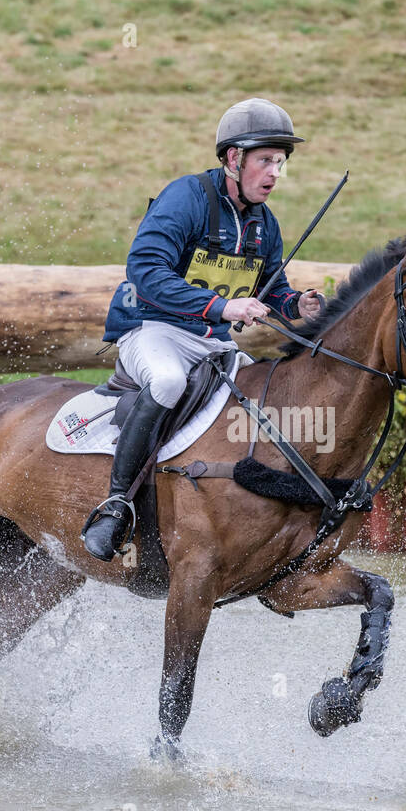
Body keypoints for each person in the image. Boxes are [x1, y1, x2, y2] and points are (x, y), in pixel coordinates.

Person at [81, 98, 326, 561]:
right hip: (151, 329)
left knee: (262, 396)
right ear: (234, 159)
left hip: (209, 342)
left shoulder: (263, 223)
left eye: (280, 163)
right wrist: (221, 306)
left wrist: (297, 304)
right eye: (265, 161)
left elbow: (272, 291)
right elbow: (146, 271)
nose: (274, 174)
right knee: (169, 381)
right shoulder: (186, 197)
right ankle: (115, 505)